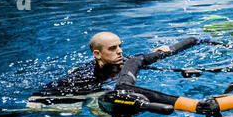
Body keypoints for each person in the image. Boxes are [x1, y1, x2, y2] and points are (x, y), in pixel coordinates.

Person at [29, 32, 172, 105]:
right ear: (97, 54)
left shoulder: (121, 60)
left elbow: (139, 60)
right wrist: (36, 100)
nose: (120, 51)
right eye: (113, 48)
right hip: (83, 92)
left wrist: (156, 52)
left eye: (120, 46)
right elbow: (48, 90)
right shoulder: (85, 76)